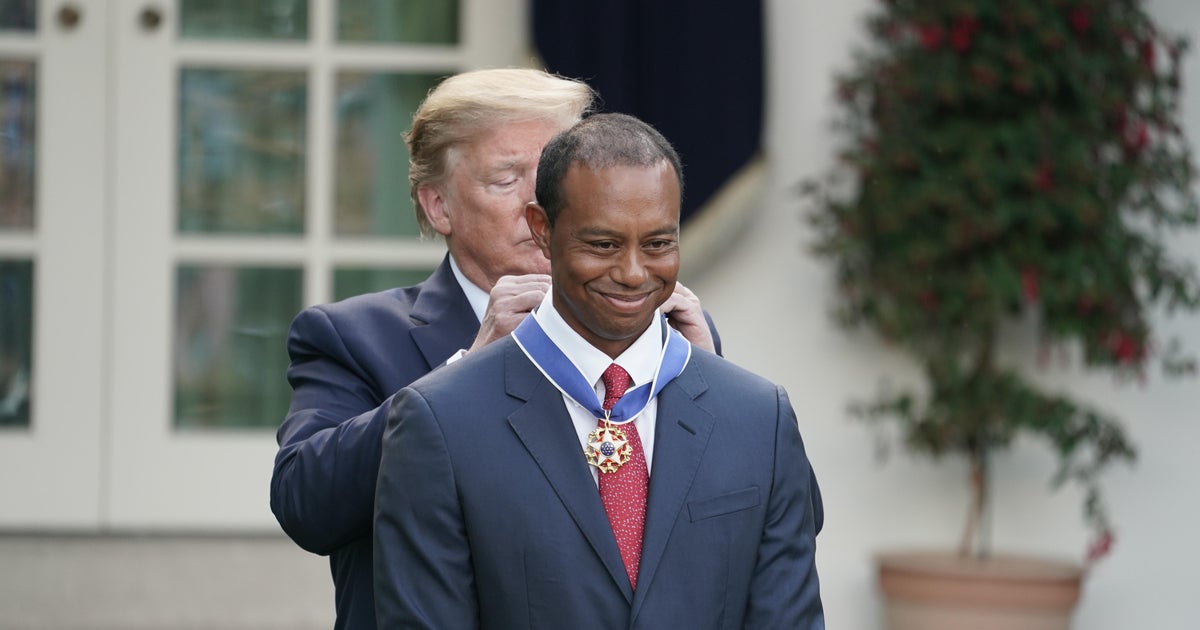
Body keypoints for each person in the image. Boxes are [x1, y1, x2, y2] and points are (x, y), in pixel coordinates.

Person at [270, 69, 721, 630]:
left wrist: (713, 386)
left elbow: (743, 525)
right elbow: (306, 506)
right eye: (507, 179)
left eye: (554, 172)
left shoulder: (674, 333)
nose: (540, 201)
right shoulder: (356, 337)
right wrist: (467, 370)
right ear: (439, 206)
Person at [374, 113, 824, 628]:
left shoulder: (758, 417)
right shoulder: (441, 420)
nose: (633, 273)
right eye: (603, 245)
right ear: (542, 230)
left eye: (658, 244)